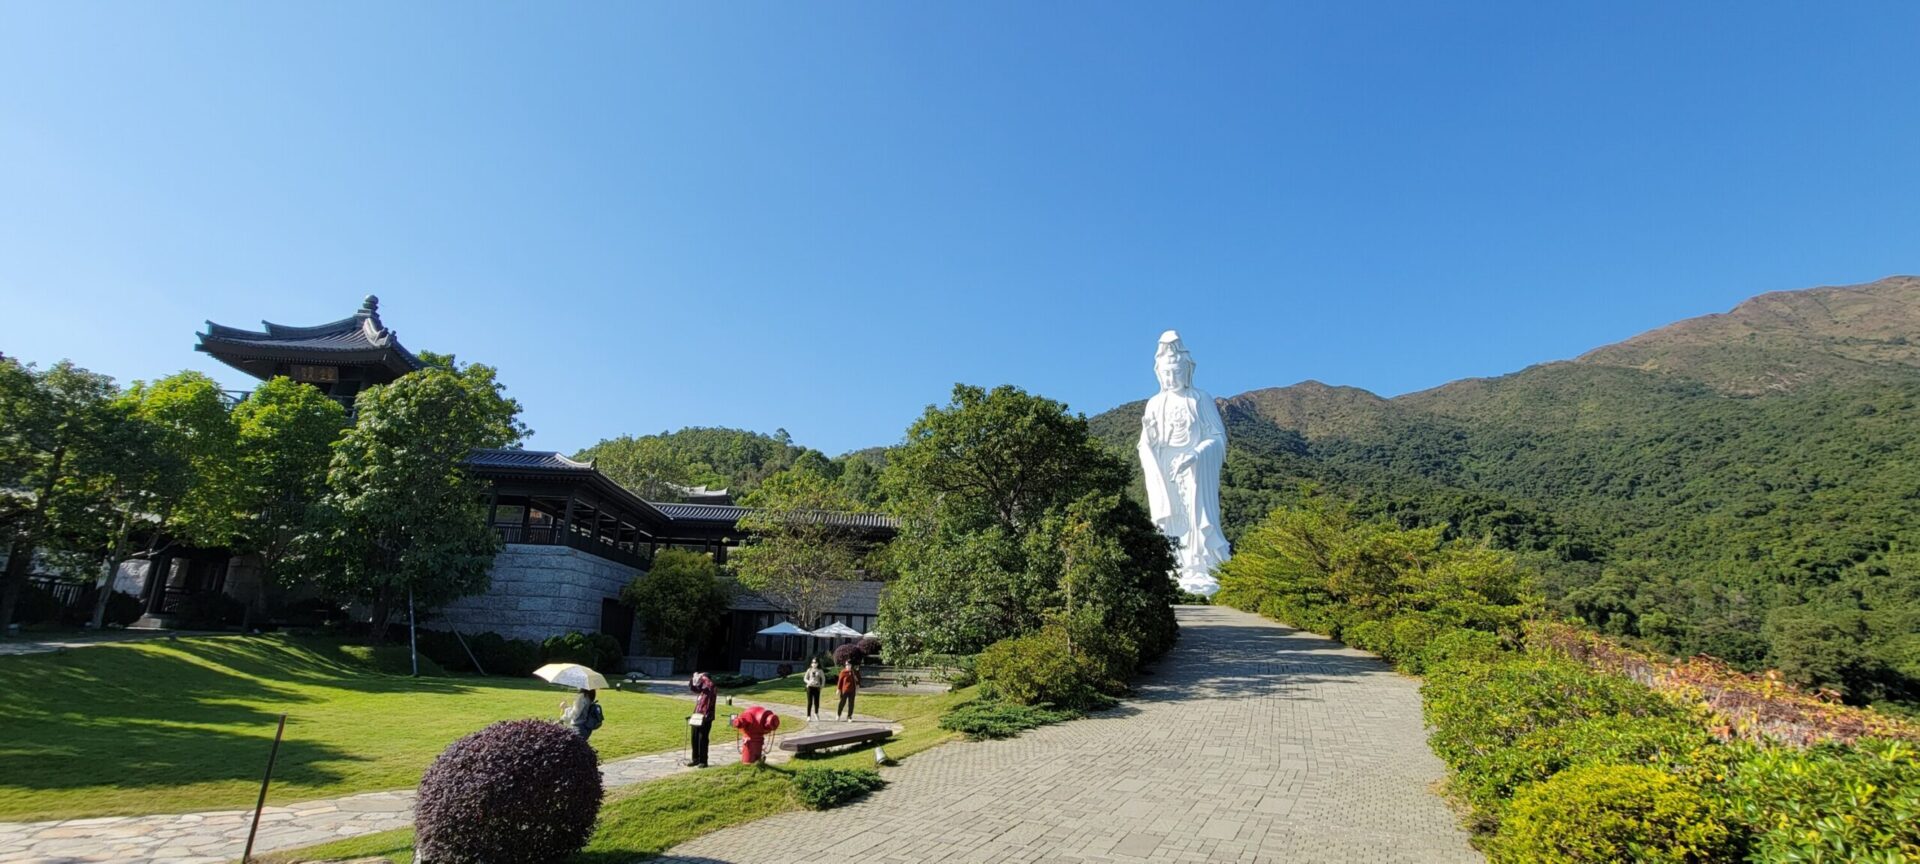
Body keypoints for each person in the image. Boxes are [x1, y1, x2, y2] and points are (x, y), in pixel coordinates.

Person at [686, 671, 717, 767]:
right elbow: (693, 687)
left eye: (703, 680)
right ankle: (695, 759)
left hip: (706, 718)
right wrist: (693, 679)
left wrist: (704, 678)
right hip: (696, 716)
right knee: (694, 738)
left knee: (702, 739)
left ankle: (703, 761)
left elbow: (710, 685)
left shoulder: (711, 688)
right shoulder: (702, 690)